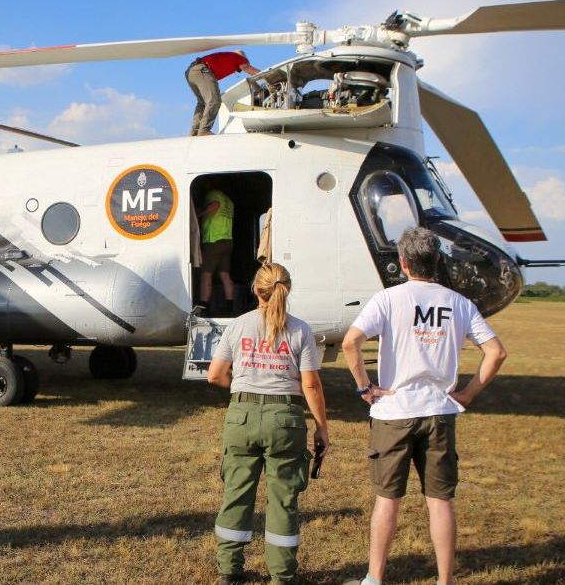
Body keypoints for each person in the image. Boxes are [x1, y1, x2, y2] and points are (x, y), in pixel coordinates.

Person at [341, 228, 508, 585]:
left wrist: (365, 388)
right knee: (440, 500)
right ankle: (445, 581)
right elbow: (496, 352)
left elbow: (351, 342)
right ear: (437, 261)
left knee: (387, 499)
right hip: (440, 412)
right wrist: (468, 393)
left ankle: (375, 577)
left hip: (394, 413)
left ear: (402, 262)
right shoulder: (460, 303)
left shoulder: (387, 299)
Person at [207, 262, 328, 585]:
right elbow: (311, 385)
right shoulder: (301, 330)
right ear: (286, 289)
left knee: (236, 494)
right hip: (285, 420)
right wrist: (321, 427)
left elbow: (215, 375)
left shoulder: (238, 326)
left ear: (255, 290)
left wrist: (242, 383)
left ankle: (229, 569)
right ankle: (282, 575)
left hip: (242, 417)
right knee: (284, 501)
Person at [187, 50, 260, 136]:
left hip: (191, 72)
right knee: (214, 100)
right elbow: (250, 70)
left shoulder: (228, 57)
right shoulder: (239, 57)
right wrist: (265, 77)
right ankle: (204, 130)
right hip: (203, 70)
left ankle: (194, 132)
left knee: (202, 103)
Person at [198, 179, 235, 316]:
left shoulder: (213, 194)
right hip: (227, 240)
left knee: (206, 275)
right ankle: (230, 308)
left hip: (213, 240)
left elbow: (215, 205)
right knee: (225, 275)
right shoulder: (229, 201)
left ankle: (203, 308)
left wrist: (199, 214)